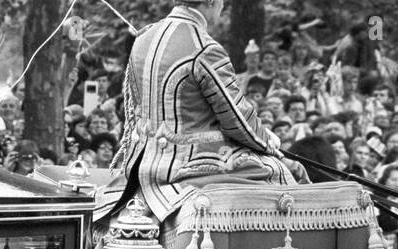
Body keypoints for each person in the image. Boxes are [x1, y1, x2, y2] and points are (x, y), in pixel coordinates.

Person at [105, 0, 300, 227]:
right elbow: (238, 122)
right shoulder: (205, 48)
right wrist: (267, 140)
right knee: (284, 170)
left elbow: (133, 108)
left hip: (139, 161)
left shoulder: (142, 38)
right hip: (188, 165)